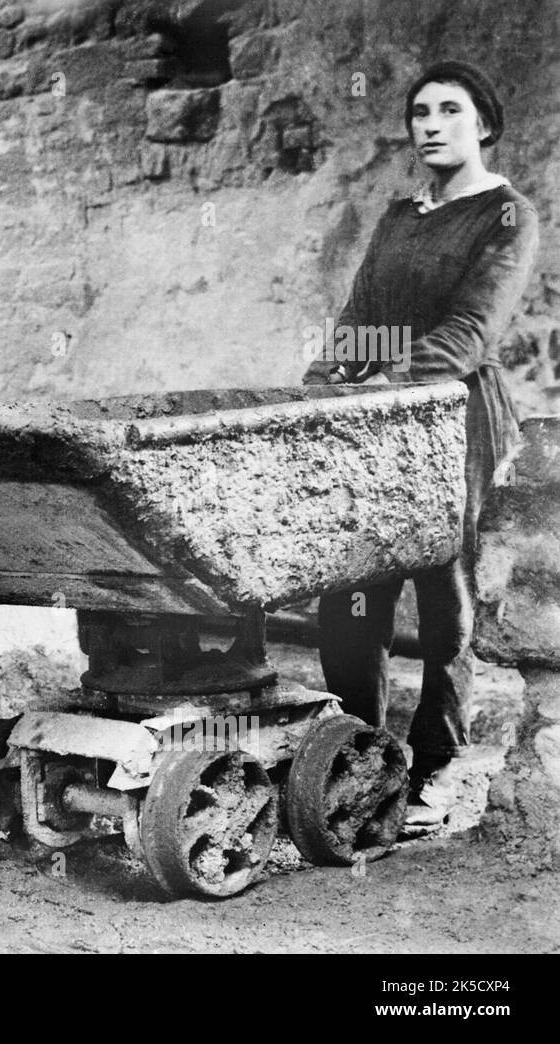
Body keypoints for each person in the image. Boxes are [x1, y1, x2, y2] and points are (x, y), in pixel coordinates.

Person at [304, 61, 539, 832]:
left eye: (450, 110)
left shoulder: (507, 215)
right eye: (419, 113)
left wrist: (388, 382)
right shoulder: (400, 216)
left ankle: (436, 765)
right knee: (350, 591)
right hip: (376, 421)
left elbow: (472, 332)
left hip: (457, 414)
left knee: (447, 596)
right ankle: (354, 752)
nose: (431, 125)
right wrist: (327, 377)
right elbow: (364, 311)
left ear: (484, 124)